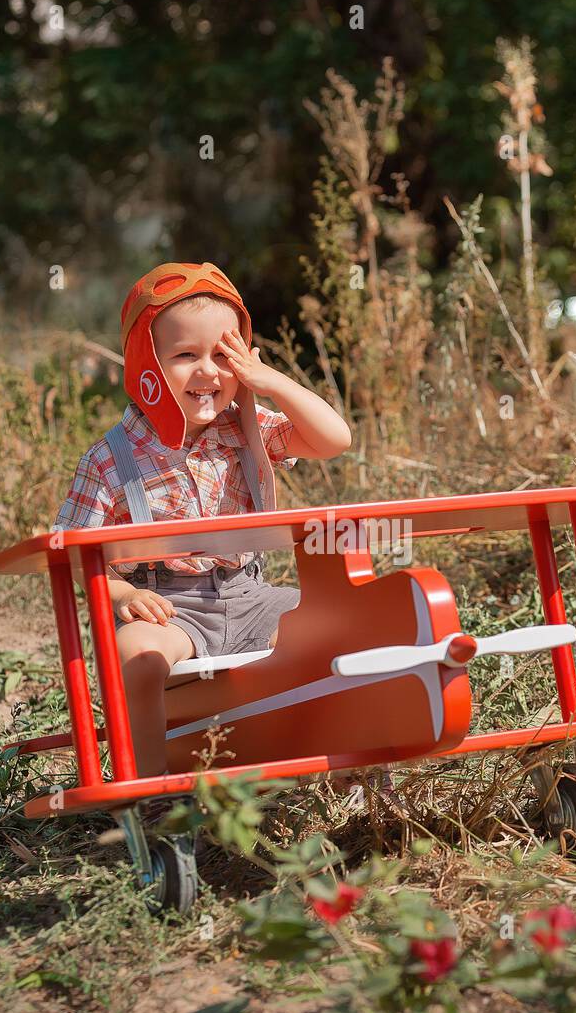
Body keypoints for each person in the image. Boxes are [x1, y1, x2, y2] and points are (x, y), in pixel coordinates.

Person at [52, 261, 352, 796]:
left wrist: (269, 381)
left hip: (252, 594)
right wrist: (122, 593)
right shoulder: (110, 459)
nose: (209, 372)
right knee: (135, 653)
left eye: (224, 355)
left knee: (337, 628)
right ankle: (148, 789)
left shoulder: (246, 428)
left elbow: (334, 439)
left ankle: (325, 763)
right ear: (146, 362)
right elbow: (75, 552)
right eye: (186, 355)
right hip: (173, 607)